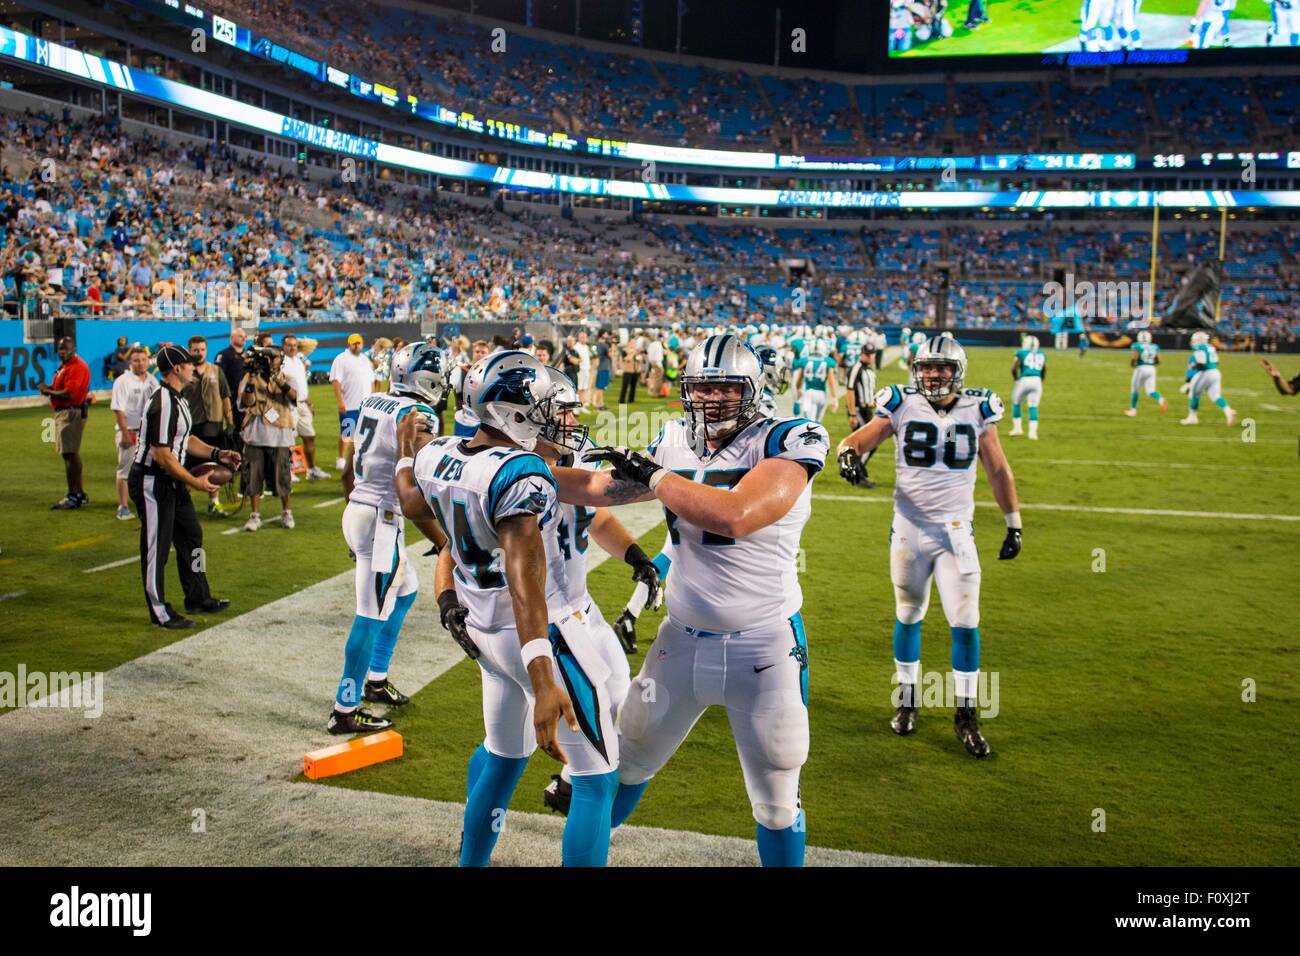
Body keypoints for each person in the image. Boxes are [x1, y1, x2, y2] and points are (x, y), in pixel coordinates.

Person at [553, 334, 831, 867]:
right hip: (679, 642)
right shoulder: (675, 437)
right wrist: (508, 471)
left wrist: (656, 476)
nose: (712, 400)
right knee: (625, 765)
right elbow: (596, 487)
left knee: (775, 803)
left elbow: (737, 515)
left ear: (754, 388)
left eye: (726, 387)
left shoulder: (790, 436)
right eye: (702, 388)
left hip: (763, 647)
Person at [394, 350, 613, 868]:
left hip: (483, 631)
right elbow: (526, 579)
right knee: (596, 780)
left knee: (502, 755)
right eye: (544, 408)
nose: (555, 418)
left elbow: (410, 502)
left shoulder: (439, 453)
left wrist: (406, 453)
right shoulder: (523, 472)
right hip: (541, 636)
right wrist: (542, 680)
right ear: (515, 414)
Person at [835, 336, 1022, 758]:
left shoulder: (979, 408)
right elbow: (857, 440)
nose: (932, 375)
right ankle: (907, 700)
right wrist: (848, 455)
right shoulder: (901, 403)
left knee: (966, 620)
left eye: (940, 367)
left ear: (958, 371)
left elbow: (998, 469)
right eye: (926, 367)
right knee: (908, 614)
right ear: (915, 370)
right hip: (910, 530)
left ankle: (966, 714)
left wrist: (1014, 524)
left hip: (956, 533)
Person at [526, 367, 659, 816]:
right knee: (579, 747)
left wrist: (635, 554)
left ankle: (569, 782)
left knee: (622, 698)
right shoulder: (509, 463)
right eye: (559, 410)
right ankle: (577, 788)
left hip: (580, 608)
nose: (571, 418)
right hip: (536, 619)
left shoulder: (576, 451)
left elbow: (595, 512)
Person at [328, 343, 450, 734]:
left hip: (360, 509)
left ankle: (375, 679)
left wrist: (353, 511)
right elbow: (416, 492)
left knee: (407, 589)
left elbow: (348, 462)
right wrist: (447, 540)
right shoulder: (419, 414)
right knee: (369, 614)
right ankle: (344, 708)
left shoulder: (372, 401)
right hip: (381, 519)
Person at [129, 345, 239, 629]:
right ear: (176, 368)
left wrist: (218, 454)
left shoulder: (178, 400)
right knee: (157, 548)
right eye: (188, 363)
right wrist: (195, 482)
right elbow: (163, 455)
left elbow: (185, 440)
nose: (193, 367)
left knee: (192, 536)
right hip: (153, 481)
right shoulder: (163, 401)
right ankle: (159, 611)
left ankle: (197, 596)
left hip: (170, 480)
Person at [238, 345, 298, 531]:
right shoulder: (250, 378)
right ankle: (255, 515)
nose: (271, 361)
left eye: (274, 357)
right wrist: (251, 379)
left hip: (280, 436)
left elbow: (295, 398)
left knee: (283, 477)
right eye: (267, 358)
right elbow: (246, 403)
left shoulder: (287, 377)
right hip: (256, 435)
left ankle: (286, 511)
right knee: (254, 477)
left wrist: (277, 380)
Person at [181, 335, 233, 516]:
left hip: (214, 424)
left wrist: (230, 422)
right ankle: (181, 504)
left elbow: (225, 396)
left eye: (202, 349)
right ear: (189, 350)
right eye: (195, 350)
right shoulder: (183, 372)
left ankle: (214, 503)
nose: (199, 353)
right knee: (187, 468)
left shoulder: (216, 370)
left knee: (212, 466)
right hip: (191, 426)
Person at [39, 336, 91, 510]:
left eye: (65, 349)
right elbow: (64, 389)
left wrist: (48, 392)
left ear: (74, 348)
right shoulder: (67, 366)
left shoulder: (77, 367)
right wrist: (50, 388)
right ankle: (79, 493)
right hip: (68, 412)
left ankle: (73, 495)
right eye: (60, 349)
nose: (62, 352)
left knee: (69, 454)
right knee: (70, 454)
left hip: (71, 412)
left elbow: (70, 394)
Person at [110, 345, 158, 520]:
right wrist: (124, 433)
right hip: (129, 430)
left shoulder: (153, 381)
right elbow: (119, 410)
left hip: (148, 433)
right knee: (125, 470)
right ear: (130, 362)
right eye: (136, 360)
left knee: (147, 470)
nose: (141, 363)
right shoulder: (122, 381)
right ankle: (122, 507)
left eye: (144, 360)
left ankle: (144, 504)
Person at [281, 334, 328, 480]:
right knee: (288, 439)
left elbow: (301, 385)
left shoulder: (298, 361)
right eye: (289, 345)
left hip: (302, 404)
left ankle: (312, 470)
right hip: (289, 405)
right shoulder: (282, 362)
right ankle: (287, 471)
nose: (292, 348)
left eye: (294, 345)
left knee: (309, 436)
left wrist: (309, 403)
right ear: (283, 346)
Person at [330, 333, 374, 471]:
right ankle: (341, 459)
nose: (356, 345)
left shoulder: (365, 360)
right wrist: (340, 401)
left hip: (365, 405)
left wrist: (372, 399)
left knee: (363, 435)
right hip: (349, 404)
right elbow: (336, 381)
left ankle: (359, 458)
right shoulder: (341, 359)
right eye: (354, 343)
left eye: (358, 343)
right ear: (349, 344)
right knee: (347, 434)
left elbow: (371, 381)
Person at [1180, 330, 1236, 426]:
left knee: (1193, 394)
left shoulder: (1199, 347)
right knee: (1216, 396)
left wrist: (1194, 366)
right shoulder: (1211, 347)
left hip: (1205, 373)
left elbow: (1201, 363)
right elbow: (1217, 362)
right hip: (1216, 372)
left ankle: (1192, 418)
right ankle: (1228, 412)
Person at [842, 340, 878, 488]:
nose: (869, 357)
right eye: (866, 354)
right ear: (861, 354)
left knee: (869, 443)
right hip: (858, 410)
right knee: (869, 443)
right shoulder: (856, 368)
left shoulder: (869, 370)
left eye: (871, 354)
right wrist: (852, 414)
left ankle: (858, 473)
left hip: (868, 410)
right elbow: (849, 391)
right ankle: (857, 474)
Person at [447, 339, 490, 438]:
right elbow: (449, 385)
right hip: (465, 422)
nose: (480, 354)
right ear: (473, 353)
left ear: (488, 354)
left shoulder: (494, 374)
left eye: (483, 352)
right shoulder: (461, 370)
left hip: (487, 424)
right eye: (477, 351)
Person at [1008, 335, 1046, 439]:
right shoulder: (1042, 354)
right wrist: (1040, 380)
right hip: (1037, 380)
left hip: (1025, 379)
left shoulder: (1021, 352)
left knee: (1016, 403)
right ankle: (1032, 433)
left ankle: (1017, 429)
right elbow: (1043, 370)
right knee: (1033, 406)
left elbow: (1014, 367)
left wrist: (1015, 378)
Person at [215, 328, 249, 436]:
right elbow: (219, 377)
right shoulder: (224, 355)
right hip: (230, 397)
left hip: (247, 396)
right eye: (240, 336)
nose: (243, 338)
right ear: (231, 338)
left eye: (245, 336)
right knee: (233, 428)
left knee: (246, 427)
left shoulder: (249, 356)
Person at [1126, 329, 1167, 417]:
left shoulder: (1137, 345)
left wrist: (1133, 364)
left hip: (1141, 368)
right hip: (1151, 368)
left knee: (1135, 390)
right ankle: (1161, 399)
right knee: (1151, 390)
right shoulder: (1154, 346)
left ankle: (1133, 410)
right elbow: (1158, 360)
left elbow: (1135, 358)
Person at [593, 330, 612, 410]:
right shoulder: (603, 345)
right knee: (600, 388)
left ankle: (600, 404)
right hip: (603, 368)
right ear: (602, 334)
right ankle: (599, 405)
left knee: (601, 388)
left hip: (602, 367)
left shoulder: (599, 344)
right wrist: (613, 346)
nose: (607, 335)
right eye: (606, 333)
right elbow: (611, 355)